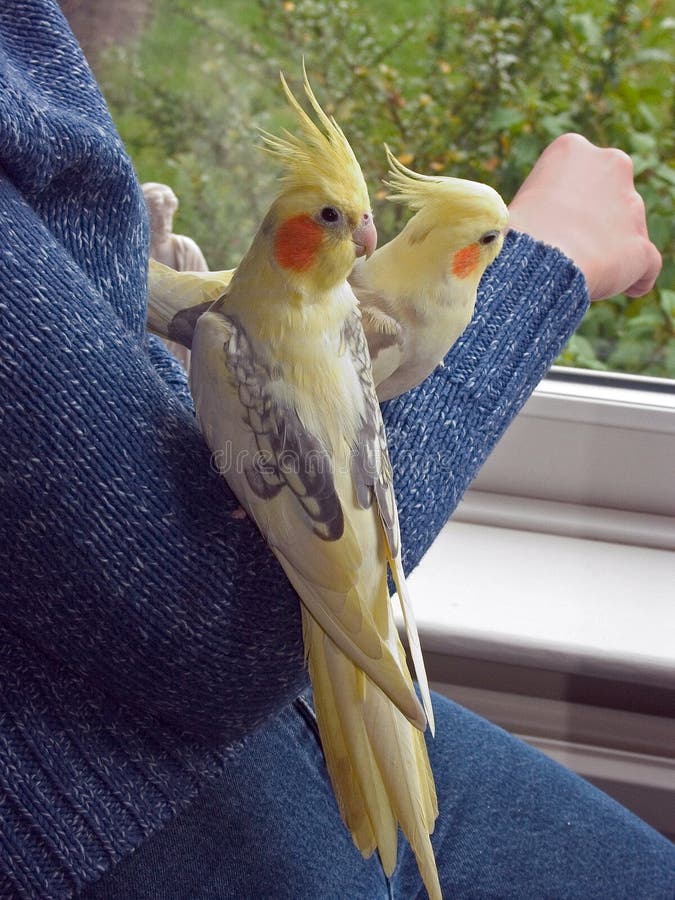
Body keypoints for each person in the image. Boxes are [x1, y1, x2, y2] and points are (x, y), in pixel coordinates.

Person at [0, 3, 671, 899]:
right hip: (121, 795)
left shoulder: (329, 312)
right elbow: (210, 627)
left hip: (257, 706)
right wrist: (546, 266)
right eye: (332, 221)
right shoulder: (261, 339)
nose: (361, 243)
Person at [142, 181, 208, 368]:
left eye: (168, 215)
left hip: (181, 343)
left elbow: (207, 298)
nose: (164, 222)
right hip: (145, 340)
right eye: (157, 216)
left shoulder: (186, 249)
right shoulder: (132, 252)